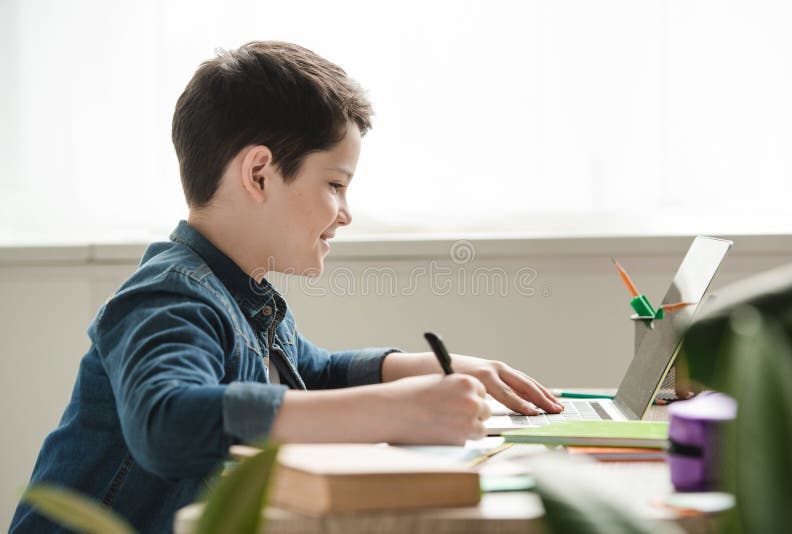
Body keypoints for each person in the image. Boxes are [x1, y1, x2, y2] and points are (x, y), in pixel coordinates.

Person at [10, 41, 562, 533]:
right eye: (335, 185)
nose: (345, 214)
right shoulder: (169, 295)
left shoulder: (244, 296)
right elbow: (169, 421)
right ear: (258, 174)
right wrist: (395, 412)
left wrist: (424, 367)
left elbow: (311, 373)